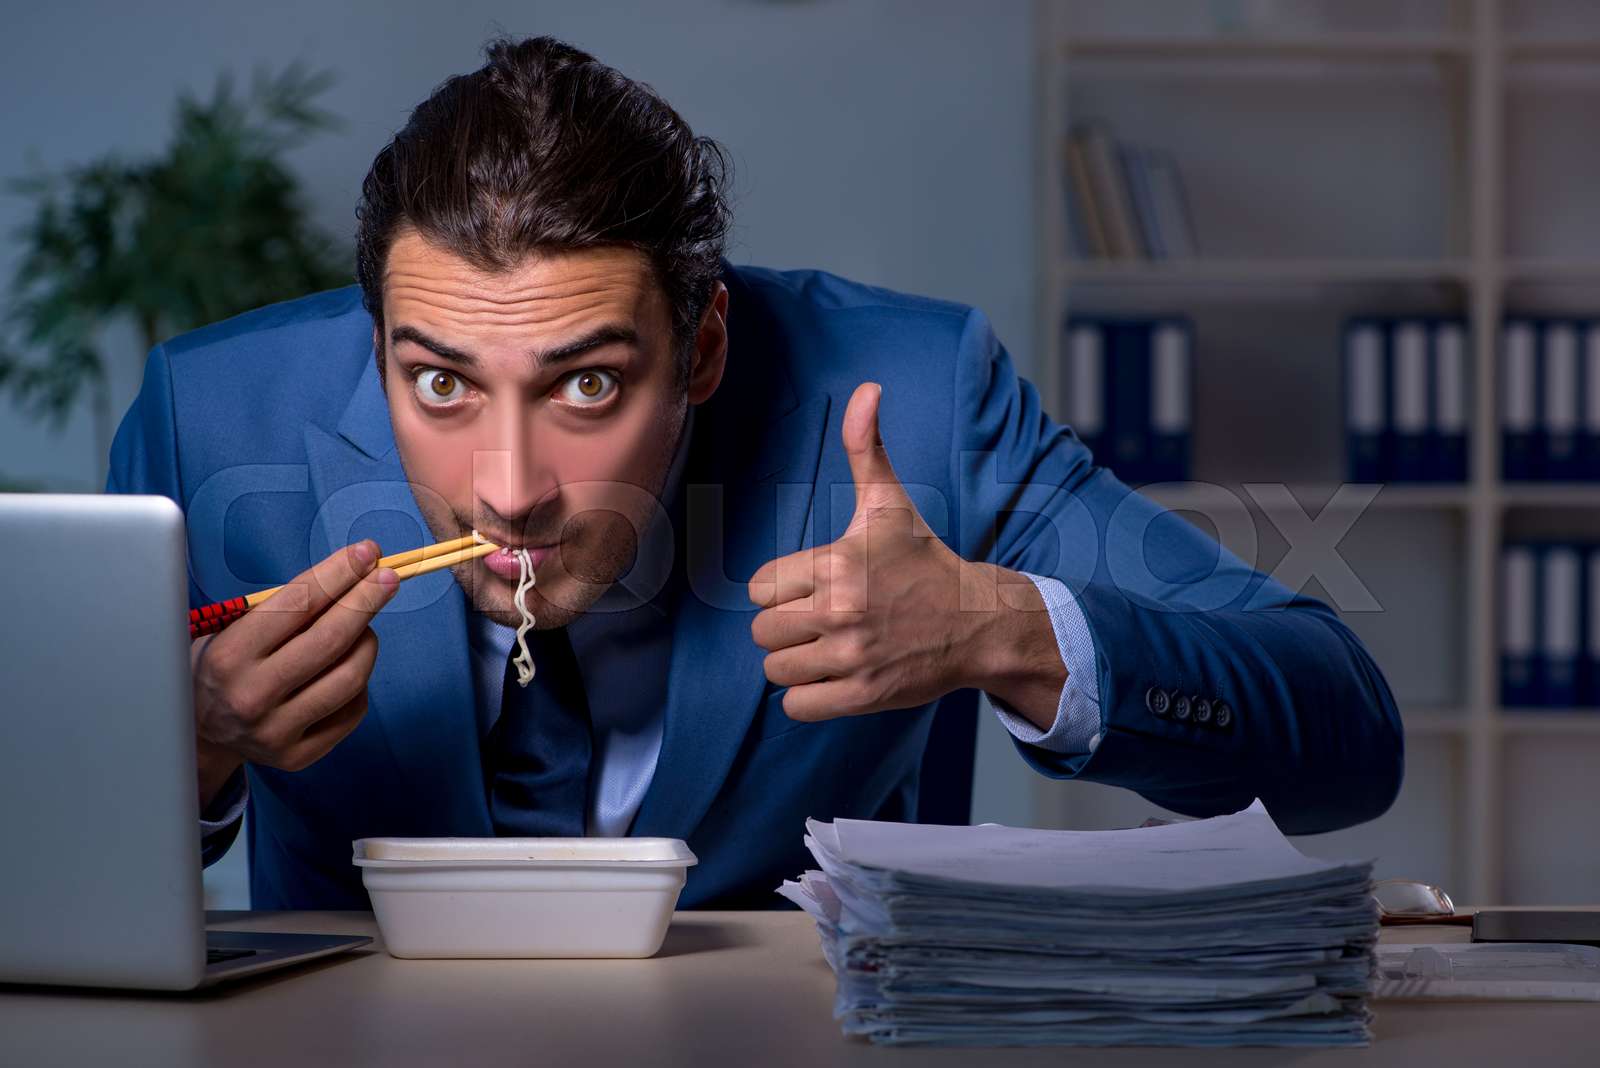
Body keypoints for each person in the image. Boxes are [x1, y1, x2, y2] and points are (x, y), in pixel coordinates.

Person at [107, 36, 1402, 909]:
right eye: (440, 384)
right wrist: (193, 744)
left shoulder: (920, 400)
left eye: (589, 385)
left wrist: (1002, 630)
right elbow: (46, 854)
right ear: (378, 339)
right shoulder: (215, 423)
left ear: (706, 347)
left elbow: (1346, 738)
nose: (509, 487)